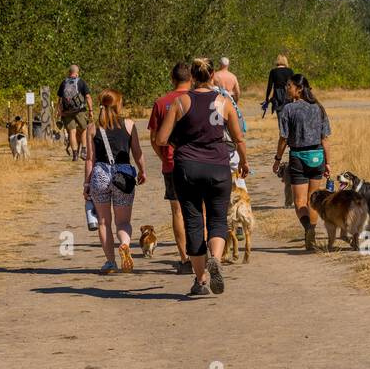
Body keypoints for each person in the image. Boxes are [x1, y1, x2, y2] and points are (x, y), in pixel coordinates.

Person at [156, 58, 249, 297]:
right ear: (212, 77)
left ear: (193, 77)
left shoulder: (181, 101)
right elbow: (238, 138)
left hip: (187, 168)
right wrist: (245, 162)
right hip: (218, 167)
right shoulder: (224, 102)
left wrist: (181, 141)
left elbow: (161, 139)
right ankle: (215, 259)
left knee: (194, 222)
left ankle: (200, 281)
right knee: (218, 220)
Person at [83, 89, 147, 274]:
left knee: (103, 222)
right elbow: (137, 152)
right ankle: (125, 244)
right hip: (123, 175)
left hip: (100, 174)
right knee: (123, 222)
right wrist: (142, 171)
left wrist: (86, 184)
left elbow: (90, 159)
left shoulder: (92, 128)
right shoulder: (128, 124)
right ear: (118, 104)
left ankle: (110, 262)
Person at [273, 73, 331, 252]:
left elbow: (283, 138)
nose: (286, 88)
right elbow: (325, 138)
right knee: (313, 200)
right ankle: (311, 234)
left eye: (289, 86)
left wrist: (277, 159)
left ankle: (308, 229)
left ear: (299, 89)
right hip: (317, 156)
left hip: (298, 156)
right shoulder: (319, 108)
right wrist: (328, 162)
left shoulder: (288, 109)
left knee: (299, 202)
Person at [149, 62, 194, 275]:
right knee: (200, 210)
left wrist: (164, 158)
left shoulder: (161, 103)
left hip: (172, 164)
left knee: (177, 211)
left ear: (172, 78)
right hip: (198, 162)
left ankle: (185, 258)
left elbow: (154, 139)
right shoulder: (198, 99)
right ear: (191, 79)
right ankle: (202, 254)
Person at [58, 64, 93, 162]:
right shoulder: (81, 82)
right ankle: (84, 151)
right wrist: (91, 110)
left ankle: (75, 155)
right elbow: (88, 97)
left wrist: (59, 111)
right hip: (80, 110)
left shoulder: (64, 82)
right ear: (77, 73)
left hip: (67, 111)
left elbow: (60, 99)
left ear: (69, 72)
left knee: (72, 132)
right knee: (84, 128)